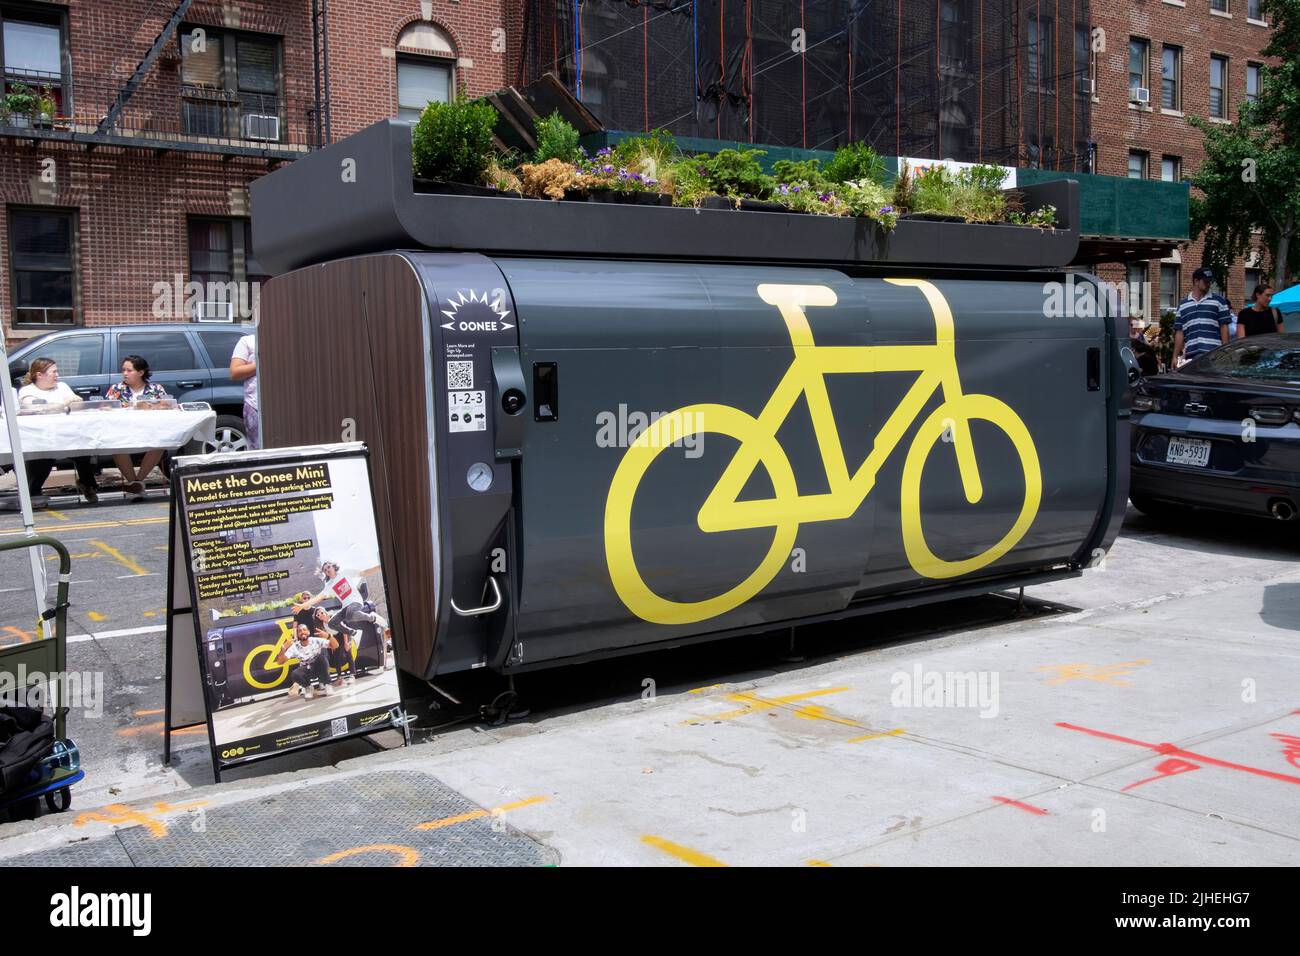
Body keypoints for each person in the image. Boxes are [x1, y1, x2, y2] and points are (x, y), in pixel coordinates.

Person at [15, 358, 100, 504]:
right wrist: (63, 404)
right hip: (41, 437)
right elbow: (35, 407)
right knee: (43, 459)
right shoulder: (27, 391)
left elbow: (76, 401)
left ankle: (88, 485)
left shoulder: (62, 386)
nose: (57, 375)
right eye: (53, 372)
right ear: (39, 375)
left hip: (67, 433)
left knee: (82, 450)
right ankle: (33, 491)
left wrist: (69, 403)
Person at [291, 560, 389, 669]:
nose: (328, 570)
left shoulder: (345, 573)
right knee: (332, 622)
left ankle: (372, 617)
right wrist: (302, 605)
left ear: (333, 567)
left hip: (356, 602)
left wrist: (381, 566)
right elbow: (318, 598)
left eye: (329, 567)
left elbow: (364, 573)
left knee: (350, 613)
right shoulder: (329, 585)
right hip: (345, 607)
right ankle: (354, 632)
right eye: (325, 569)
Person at [104, 355, 170, 501]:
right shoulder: (116, 389)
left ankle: (138, 482)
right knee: (116, 445)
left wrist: (152, 407)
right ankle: (135, 483)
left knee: (160, 444)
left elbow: (166, 405)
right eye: (123, 370)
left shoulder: (155, 389)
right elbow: (106, 408)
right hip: (123, 431)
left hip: (150, 431)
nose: (125, 373)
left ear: (141, 372)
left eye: (129, 370)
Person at [1172, 267, 1232, 366]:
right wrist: (1175, 356)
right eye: (1205, 281)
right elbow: (1179, 332)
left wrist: (1225, 351)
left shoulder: (1219, 301)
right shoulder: (1183, 305)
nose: (1209, 284)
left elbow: (1224, 327)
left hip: (1214, 352)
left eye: (1210, 281)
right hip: (1191, 354)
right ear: (1196, 281)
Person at [275, 624, 337, 700]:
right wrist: (283, 648)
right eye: (299, 631)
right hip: (307, 669)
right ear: (297, 635)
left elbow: (335, 646)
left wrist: (329, 637)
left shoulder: (315, 640)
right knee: (295, 674)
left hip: (319, 667)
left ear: (308, 632)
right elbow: (280, 662)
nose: (302, 632)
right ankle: (308, 687)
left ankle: (327, 685)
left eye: (304, 630)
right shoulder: (294, 646)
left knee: (322, 657)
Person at [229, 331, 260, 449]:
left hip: (287, 404)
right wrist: (260, 363)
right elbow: (234, 373)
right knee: (258, 449)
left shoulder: (288, 340)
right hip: (255, 406)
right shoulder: (248, 341)